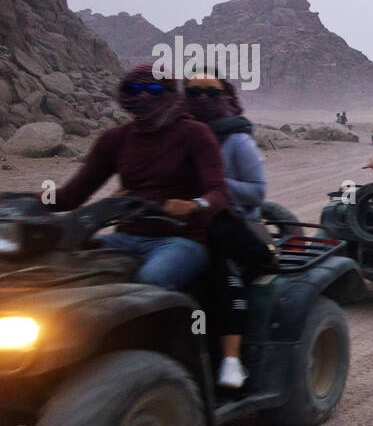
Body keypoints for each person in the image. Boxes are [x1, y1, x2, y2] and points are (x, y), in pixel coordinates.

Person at [50, 64, 228, 290]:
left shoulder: (195, 133)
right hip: (125, 237)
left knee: (150, 282)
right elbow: (70, 197)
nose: (143, 95)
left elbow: (219, 192)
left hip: (180, 240)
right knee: (58, 268)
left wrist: (195, 205)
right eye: (134, 89)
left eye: (154, 89)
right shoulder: (114, 139)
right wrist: (21, 202)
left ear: (170, 94)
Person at [186, 70, 270, 389]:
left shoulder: (236, 139)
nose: (202, 99)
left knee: (224, 272)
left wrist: (214, 187)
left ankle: (231, 360)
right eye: (194, 93)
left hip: (234, 223)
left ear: (225, 96)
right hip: (184, 223)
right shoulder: (178, 133)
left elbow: (257, 191)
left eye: (211, 92)